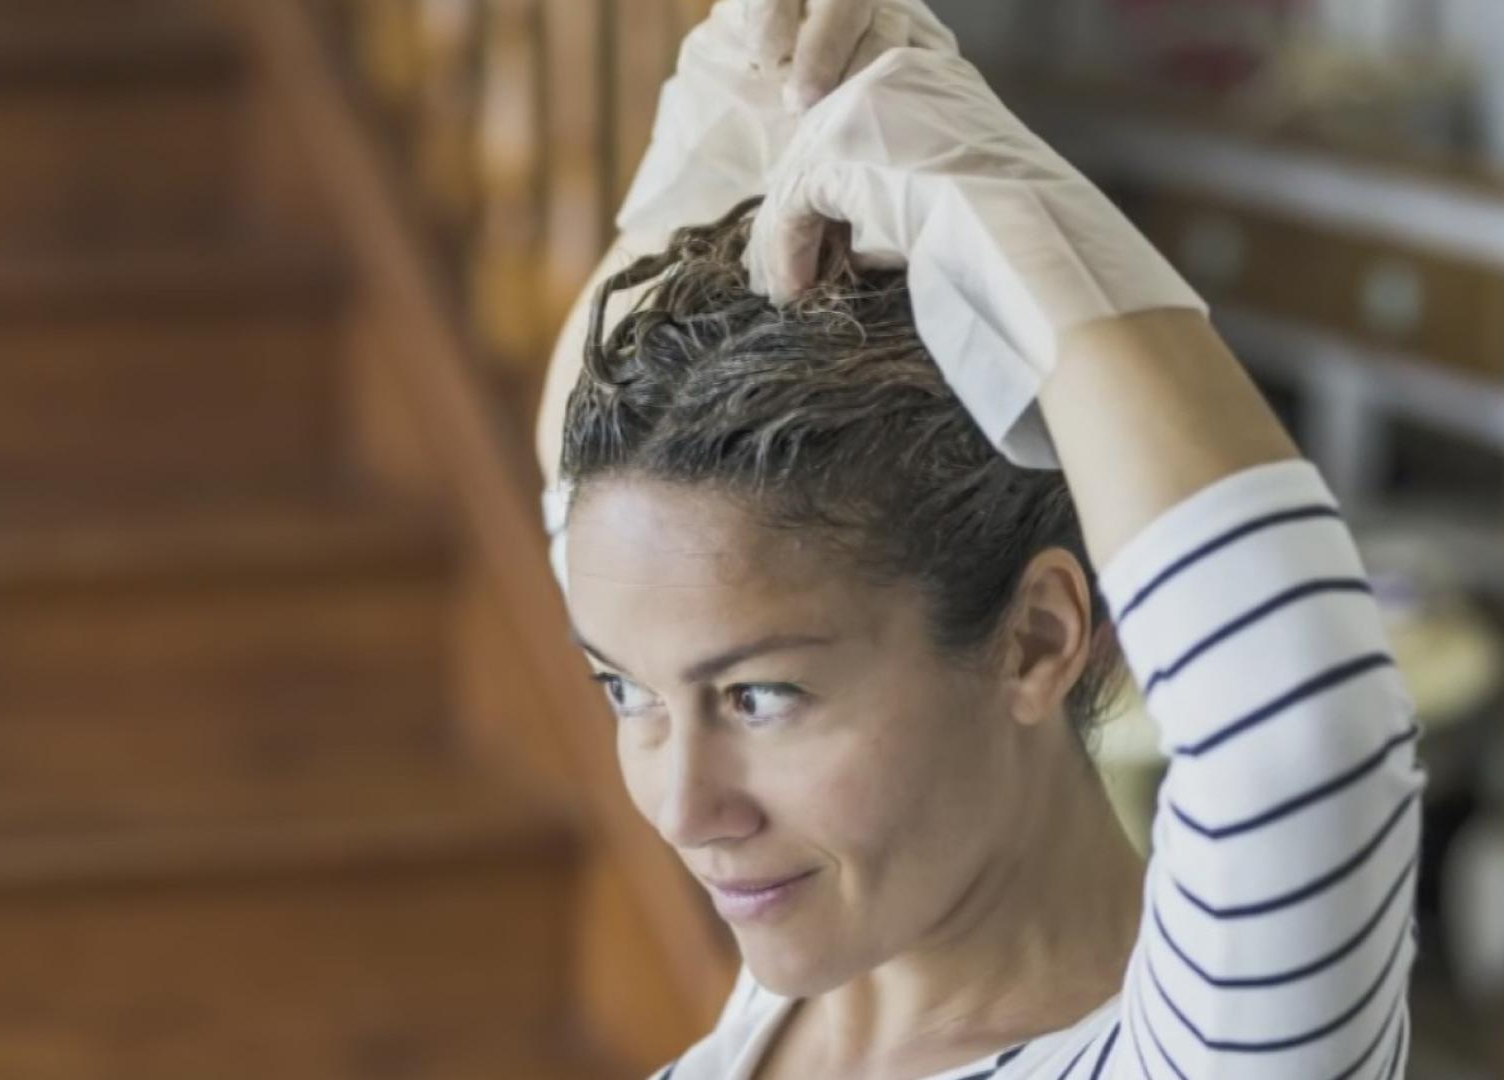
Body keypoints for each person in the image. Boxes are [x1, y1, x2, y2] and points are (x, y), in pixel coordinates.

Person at [537, 3, 1425, 1077]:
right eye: (625, 691)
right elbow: (608, 513)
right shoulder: (811, 983)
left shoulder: (1202, 1060)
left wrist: (1007, 205)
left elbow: (1300, 732)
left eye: (759, 697)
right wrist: (749, 104)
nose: (684, 810)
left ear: (1040, 640)